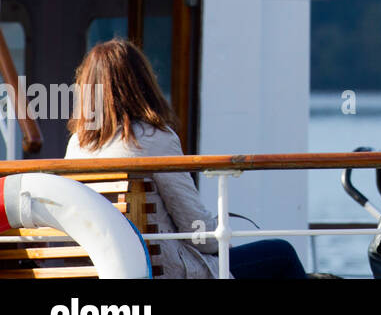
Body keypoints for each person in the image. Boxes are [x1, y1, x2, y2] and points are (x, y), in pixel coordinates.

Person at [65, 38, 307, 278]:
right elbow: (196, 231)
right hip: (167, 271)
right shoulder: (154, 138)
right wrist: (220, 240)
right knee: (281, 253)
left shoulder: (77, 145)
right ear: (142, 84)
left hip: (101, 270)